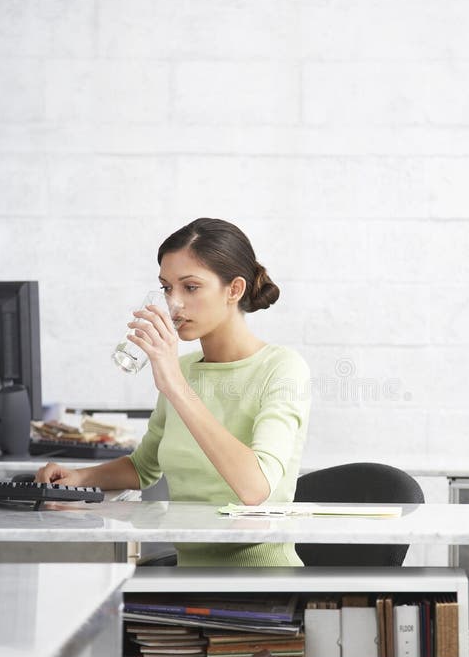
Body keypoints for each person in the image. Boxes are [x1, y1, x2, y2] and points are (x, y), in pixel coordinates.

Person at [35, 217, 311, 566]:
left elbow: (255, 489)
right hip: (188, 578)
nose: (174, 304)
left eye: (190, 287)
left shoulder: (282, 368)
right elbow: (143, 467)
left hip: (260, 582)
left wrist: (175, 385)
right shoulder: (181, 369)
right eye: (167, 288)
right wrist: (79, 478)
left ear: (234, 290)